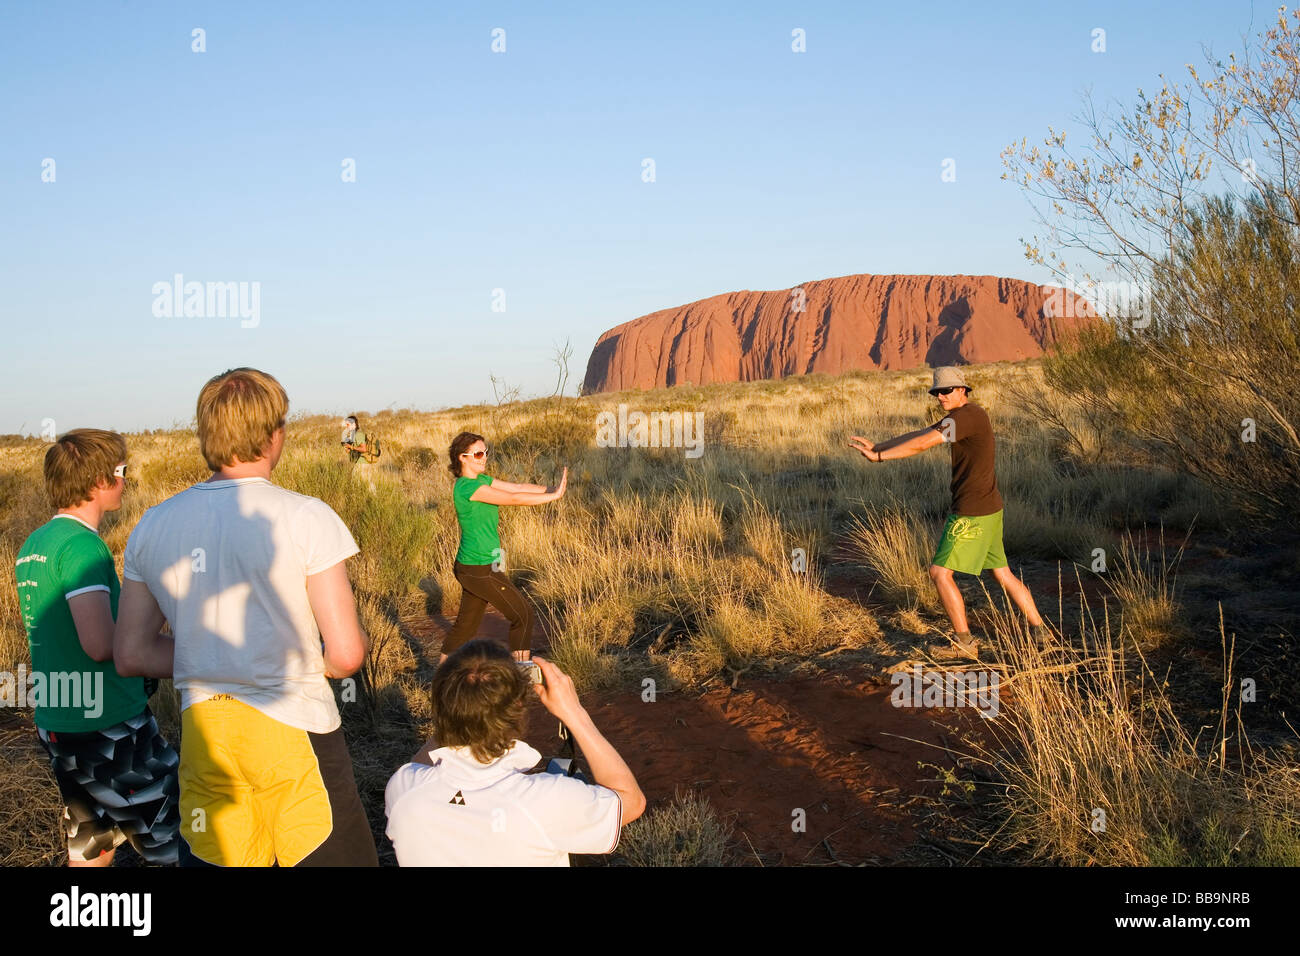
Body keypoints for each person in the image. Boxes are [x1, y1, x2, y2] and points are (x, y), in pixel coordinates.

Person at [114, 368, 378, 867]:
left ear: (205, 436)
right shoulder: (305, 515)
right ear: (275, 434)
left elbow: (131, 654)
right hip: (296, 730)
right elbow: (345, 655)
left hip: (207, 734)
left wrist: (208, 657)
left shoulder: (154, 524)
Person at [14, 429, 180, 866]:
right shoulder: (83, 548)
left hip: (58, 720)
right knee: (172, 835)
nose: (126, 481)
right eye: (121, 472)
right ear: (97, 481)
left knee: (92, 836)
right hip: (107, 726)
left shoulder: (35, 545)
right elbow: (100, 644)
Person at [384, 639, 646, 866]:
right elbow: (632, 802)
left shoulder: (404, 790)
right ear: (518, 707)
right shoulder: (544, 801)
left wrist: (457, 712)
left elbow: (422, 768)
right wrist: (574, 713)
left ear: (441, 706)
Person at [849, 366, 1048, 659]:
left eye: (946, 391)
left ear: (962, 390)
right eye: (936, 392)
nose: (940, 396)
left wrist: (879, 457)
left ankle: (965, 643)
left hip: (972, 511)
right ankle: (1041, 631)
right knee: (1002, 573)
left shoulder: (965, 418)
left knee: (940, 573)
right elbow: (923, 432)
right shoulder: (963, 416)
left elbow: (924, 443)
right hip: (989, 507)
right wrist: (881, 444)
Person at [442, 432, 566, 666]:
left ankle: (440, 682)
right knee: (523, 615)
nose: (484, 457)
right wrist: (553, 497)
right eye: (478, 454)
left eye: (485, 452)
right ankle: (521, 675)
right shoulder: (466, 488)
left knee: (463, 629)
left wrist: (552, 488)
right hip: (477, 568)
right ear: (463, 458)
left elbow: (518, 487)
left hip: (483, 564)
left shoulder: (481, 480)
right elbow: (515, 498)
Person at [342, 415, 378, 490]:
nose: (347, 426)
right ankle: (374, 498)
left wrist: (351, 447)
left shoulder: (358, 434)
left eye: (348, 424)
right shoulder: (354, 435)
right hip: (362, 462)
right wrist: (349, 449)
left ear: (354, 424)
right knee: (368, 483)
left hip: (362, 463)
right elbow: (357, 449)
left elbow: (364, 449)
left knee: (355, 483)